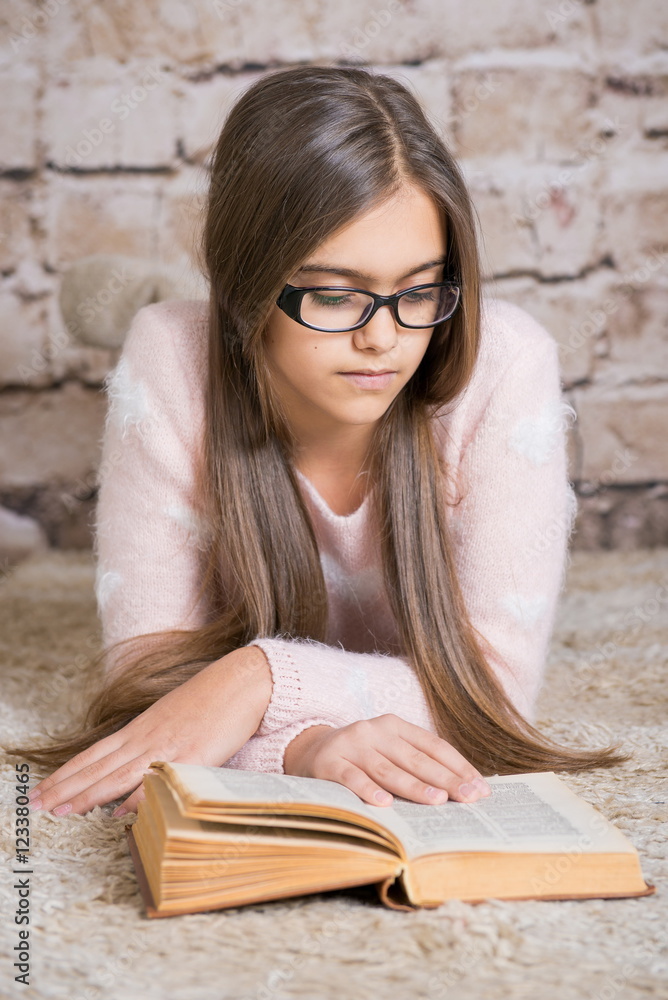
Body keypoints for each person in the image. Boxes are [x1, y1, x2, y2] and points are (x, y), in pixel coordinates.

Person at [6, 65, 629, 820]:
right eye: (334, 293)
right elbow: (156, 694)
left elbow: (489, 692)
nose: (384, 340)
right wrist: (301, 750)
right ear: (248, 284)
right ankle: (150, 291)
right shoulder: (168, 357)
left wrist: (257, 679)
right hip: (219, 345)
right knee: (183, 331)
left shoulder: (508, 363)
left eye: (420, 290)